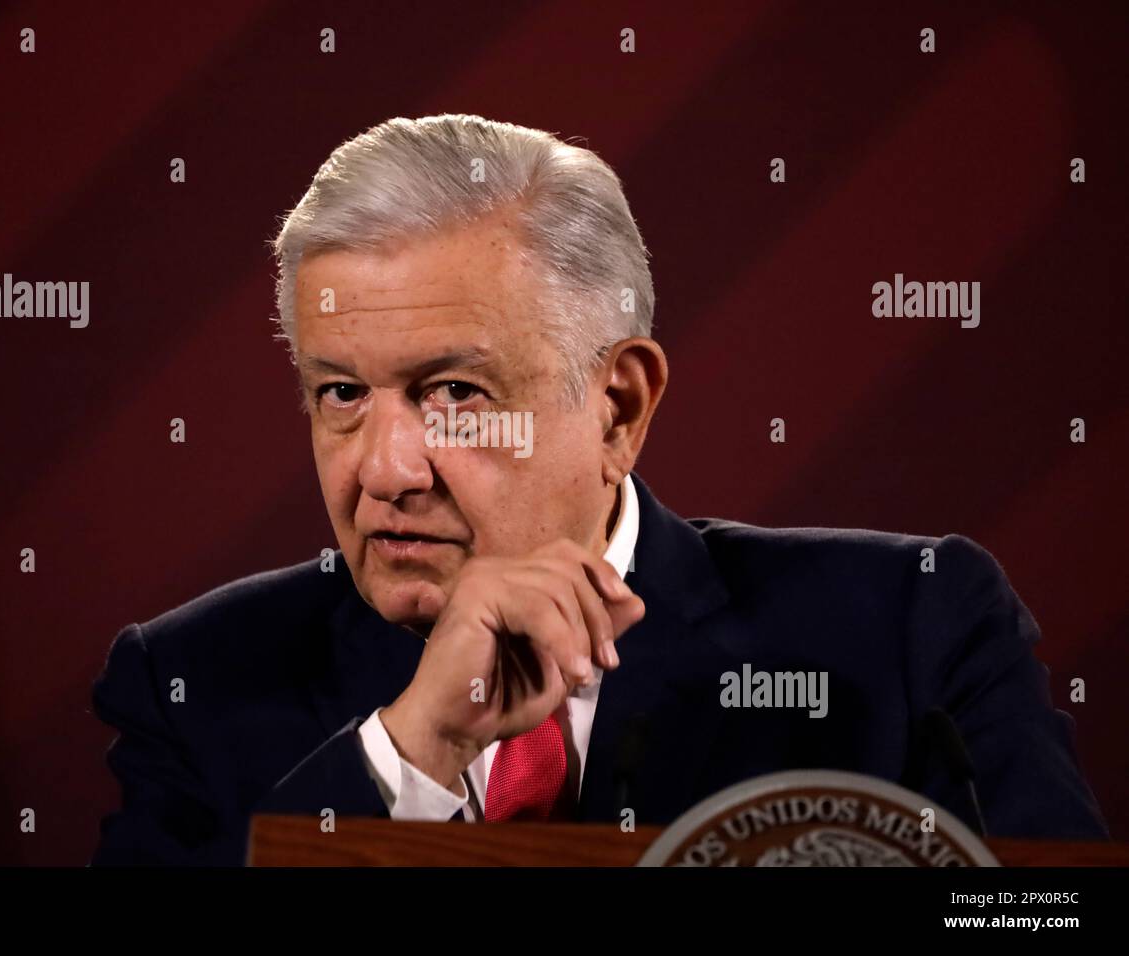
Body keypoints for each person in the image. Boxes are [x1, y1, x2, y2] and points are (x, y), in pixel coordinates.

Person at [90, 114, 1106, 865]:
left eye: (454, 391)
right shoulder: (194, 681)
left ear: (618, 405)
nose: (385, 469)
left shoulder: (907, 628)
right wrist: (412, 752)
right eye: (342, 392)